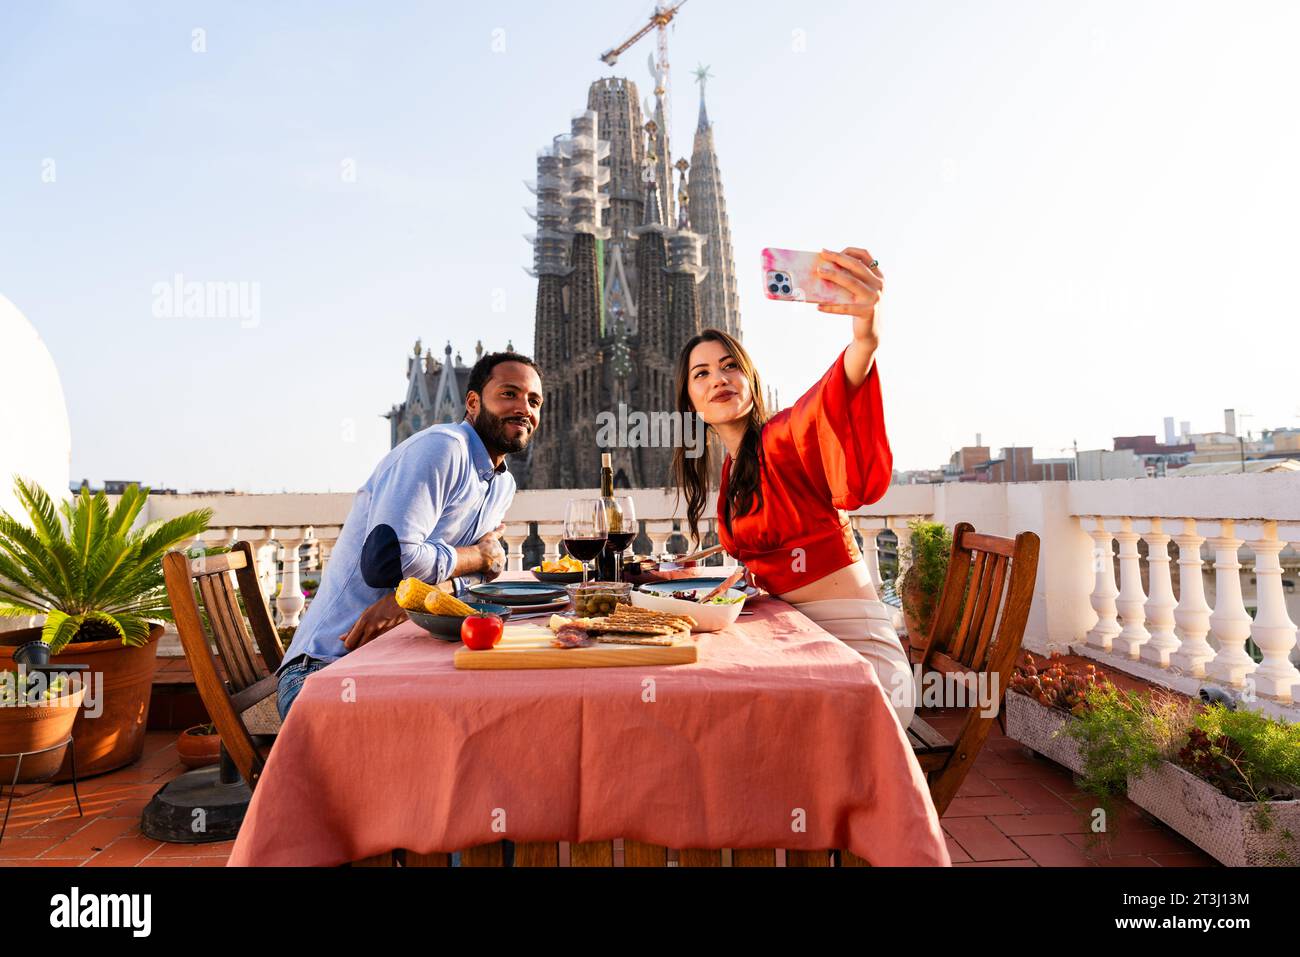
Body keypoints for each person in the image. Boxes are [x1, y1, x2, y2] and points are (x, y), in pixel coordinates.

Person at [671, 247, 917, 729]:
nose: (719, 379)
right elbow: (768, 554)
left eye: (729, 366)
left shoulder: (783, 438)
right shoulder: (733, 469)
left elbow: (842, 383)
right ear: (690, 403)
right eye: (702, 374)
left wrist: (866, 326)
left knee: (727, 719)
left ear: (751, 380)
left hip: (861, 665)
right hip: (803, 645)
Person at [276, 350, 544, 721]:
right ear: (472, 402)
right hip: (328, 668)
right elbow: (387, 564)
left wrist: (409, 600)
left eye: (534, 401)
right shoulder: (443, 448)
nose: (523, 408)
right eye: (508, 394)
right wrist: (479, 556)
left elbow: (476, 583)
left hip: (401, 660)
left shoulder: (502, 485)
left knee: (509, 711)